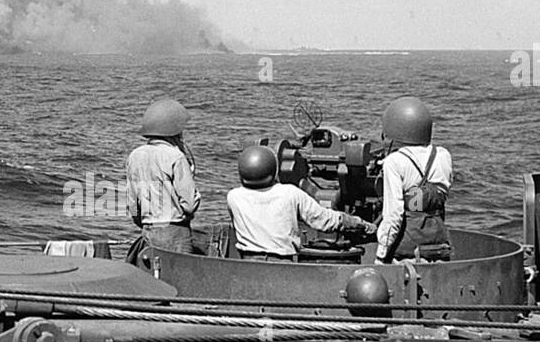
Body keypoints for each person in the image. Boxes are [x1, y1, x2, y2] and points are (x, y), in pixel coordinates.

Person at [227, 145, 376, 261]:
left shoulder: (233, 197)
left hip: (246, 264)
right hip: (282, 264)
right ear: (273, 171)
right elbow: (324, 220)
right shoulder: (290, 193)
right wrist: (358, 223)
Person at [375, 97, 452, 263]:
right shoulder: (443, 156)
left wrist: (381, 255)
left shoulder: (394, 162)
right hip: (439, 247)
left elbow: (393, 216)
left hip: (407, 252)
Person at [126, 96, 200, 253]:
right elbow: (189, 205)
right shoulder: (176, 156)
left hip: (148, 230)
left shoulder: (135, 156)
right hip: (175, 231)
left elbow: (132, 204)